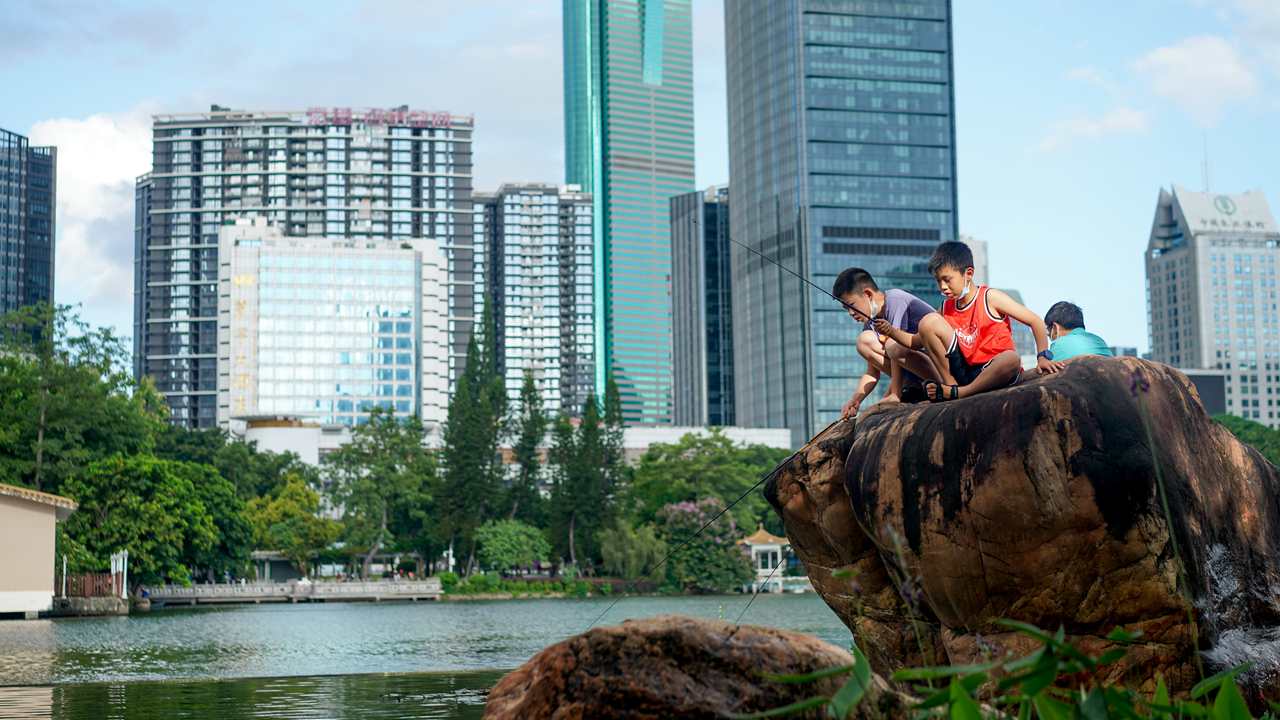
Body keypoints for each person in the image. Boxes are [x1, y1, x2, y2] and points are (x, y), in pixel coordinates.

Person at [877, 241, 1064, 401]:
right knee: (927, 322)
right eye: (938, 281)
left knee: (1011, 359)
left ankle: (960, 393)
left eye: (947, 280)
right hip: (963, 371)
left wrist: (1042, 357)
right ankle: (951, 386)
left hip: (993, 369)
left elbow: (1035, 321)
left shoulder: (990, 297)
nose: (943, 287)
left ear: (968, 273)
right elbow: (916, 341)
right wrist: (891, 331)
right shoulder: (946, 307)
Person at [831, 267, 940, 417]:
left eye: (852, 305)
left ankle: (934, 387)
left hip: (938, 367)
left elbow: (897, 348)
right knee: (864, 341)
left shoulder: (896, 299)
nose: (850, 313)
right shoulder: (871, 322)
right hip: (916, 372)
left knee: (892, 345)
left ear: (868, 294)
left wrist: (894, 394)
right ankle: (912, 388)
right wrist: (855, 400)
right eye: (846, 309)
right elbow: (872, 372)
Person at [1044, 301, 1114, 361]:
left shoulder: (1059, 344)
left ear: (1055, 328)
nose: (1049, 336)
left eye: (1049, 333)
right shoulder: (1099, 341)